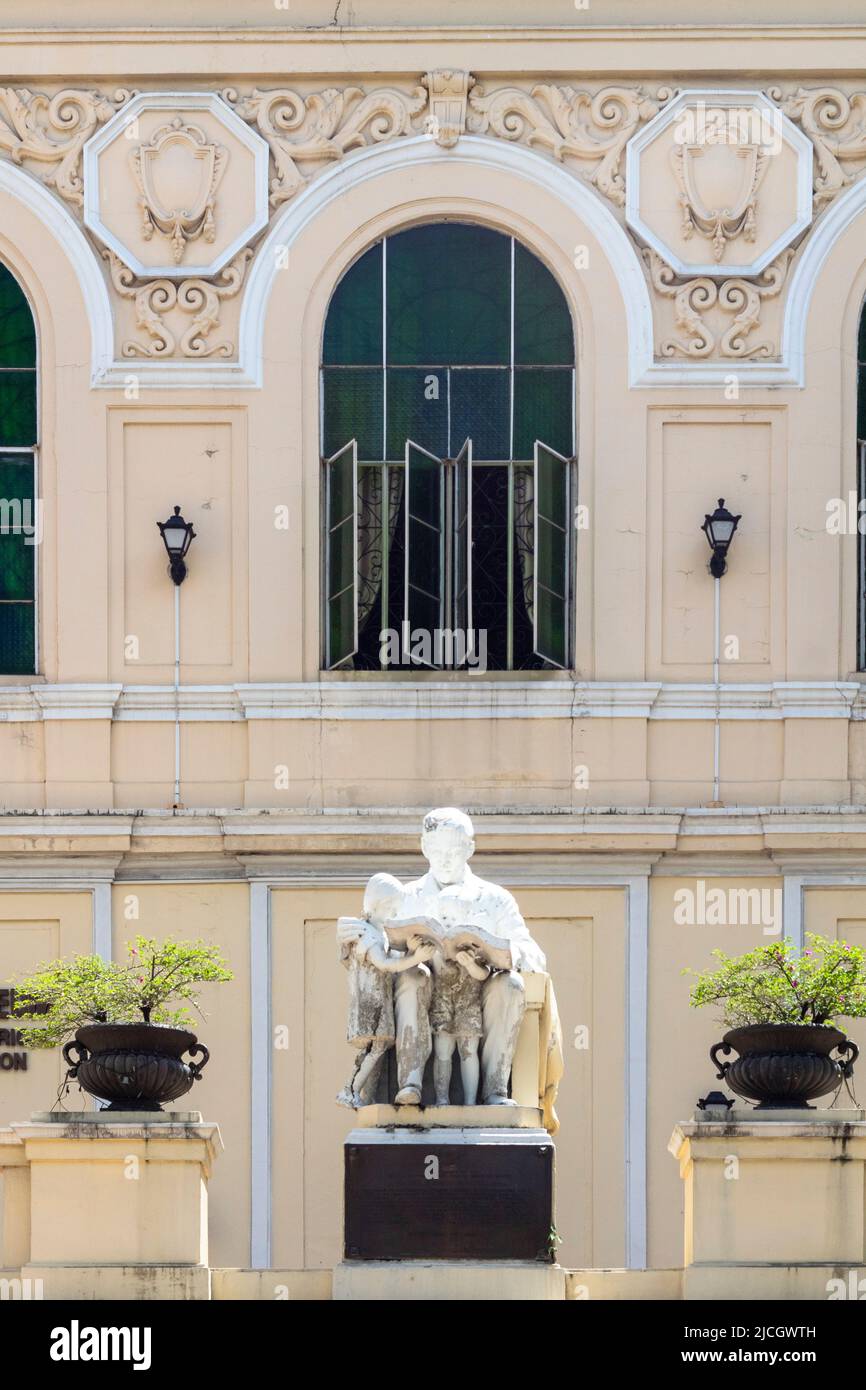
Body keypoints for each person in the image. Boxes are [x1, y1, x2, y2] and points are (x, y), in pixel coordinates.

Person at [336, 871, 434, 1108]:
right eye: (392, 907)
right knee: (373, 1049)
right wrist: (416, 958)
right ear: (381, 903)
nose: (394, 913)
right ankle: (349, 1091)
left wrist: (410, 950)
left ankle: (352, 1092)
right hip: (372, 1003)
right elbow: (385, 964)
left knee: (373, 1050)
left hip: (381, 1001)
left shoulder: (380, 933)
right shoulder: (367, 934)